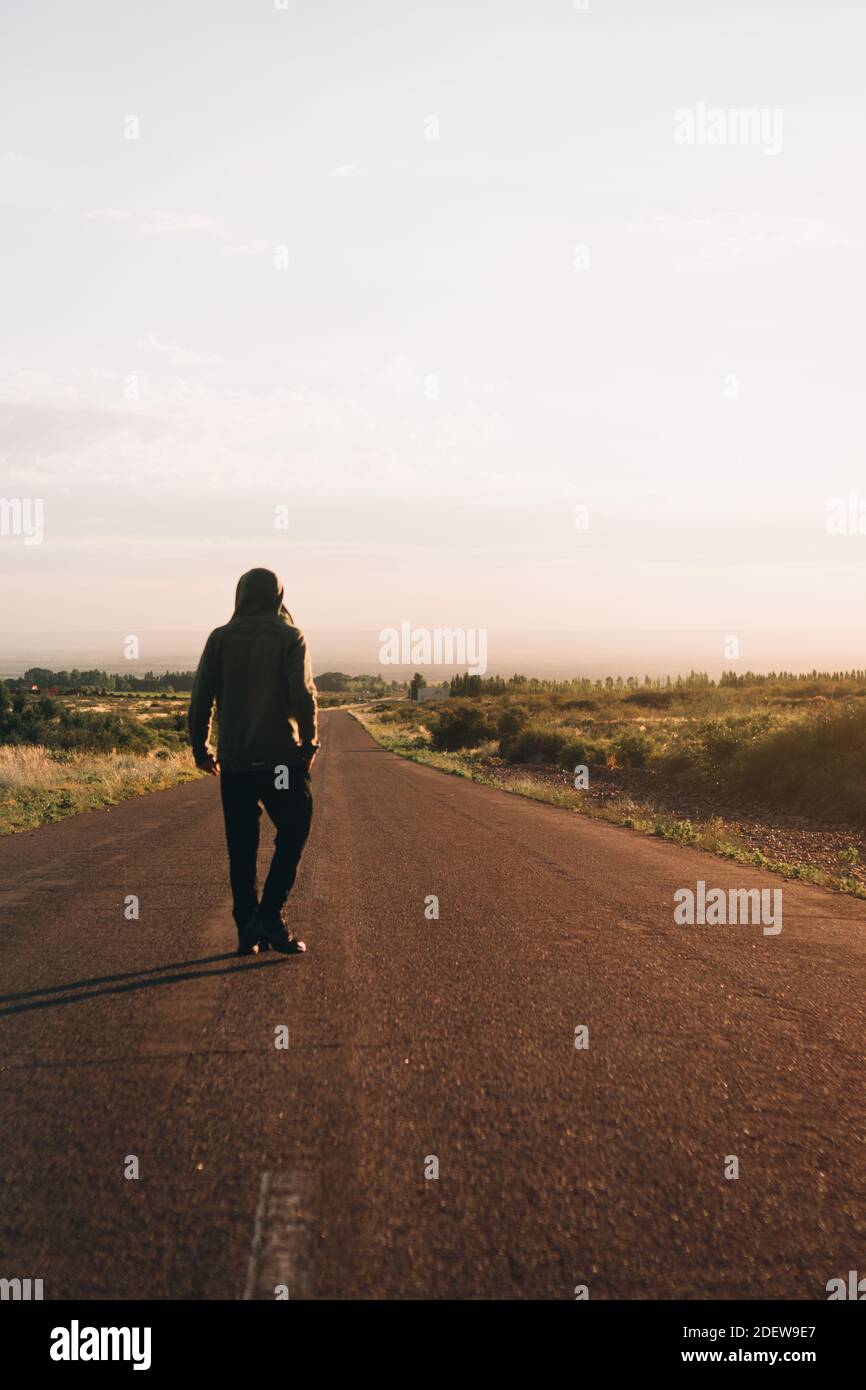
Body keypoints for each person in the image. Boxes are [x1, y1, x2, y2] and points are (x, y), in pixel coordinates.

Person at [188, 568, 319, 956]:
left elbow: (201, 700)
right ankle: (270, 915)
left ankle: (248, 927)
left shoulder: (220, 639)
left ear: (241, 595)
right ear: (279, 597)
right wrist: (309, 743)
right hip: (280, 762)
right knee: (294, 828)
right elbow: (303, 695)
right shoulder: (291, 637)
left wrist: (201, 748)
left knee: (241, 847)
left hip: (237, 764)